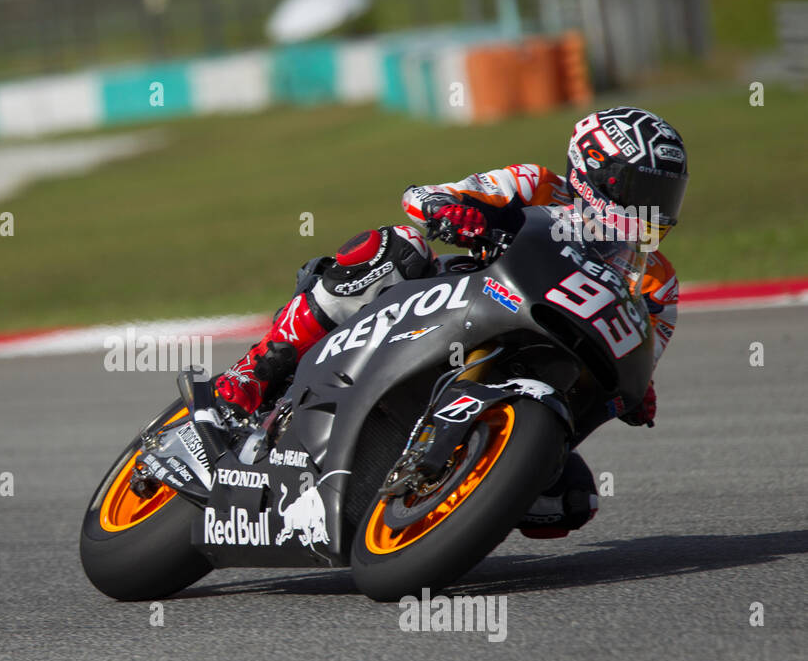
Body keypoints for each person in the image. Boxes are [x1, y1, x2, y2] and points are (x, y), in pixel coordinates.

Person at [214, 106, 687, 537]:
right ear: (593, 173)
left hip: (539, 367)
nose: (653, 209)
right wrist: (450, 211)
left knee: (570, 502)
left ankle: (448, 493)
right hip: (455, 304)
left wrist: (636, 390)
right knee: (397, 248)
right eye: (642, 191)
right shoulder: (536, 185)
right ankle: (253, 373)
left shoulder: (657, 282)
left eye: (665, 196)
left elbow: (643, 357)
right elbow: (425, 196)